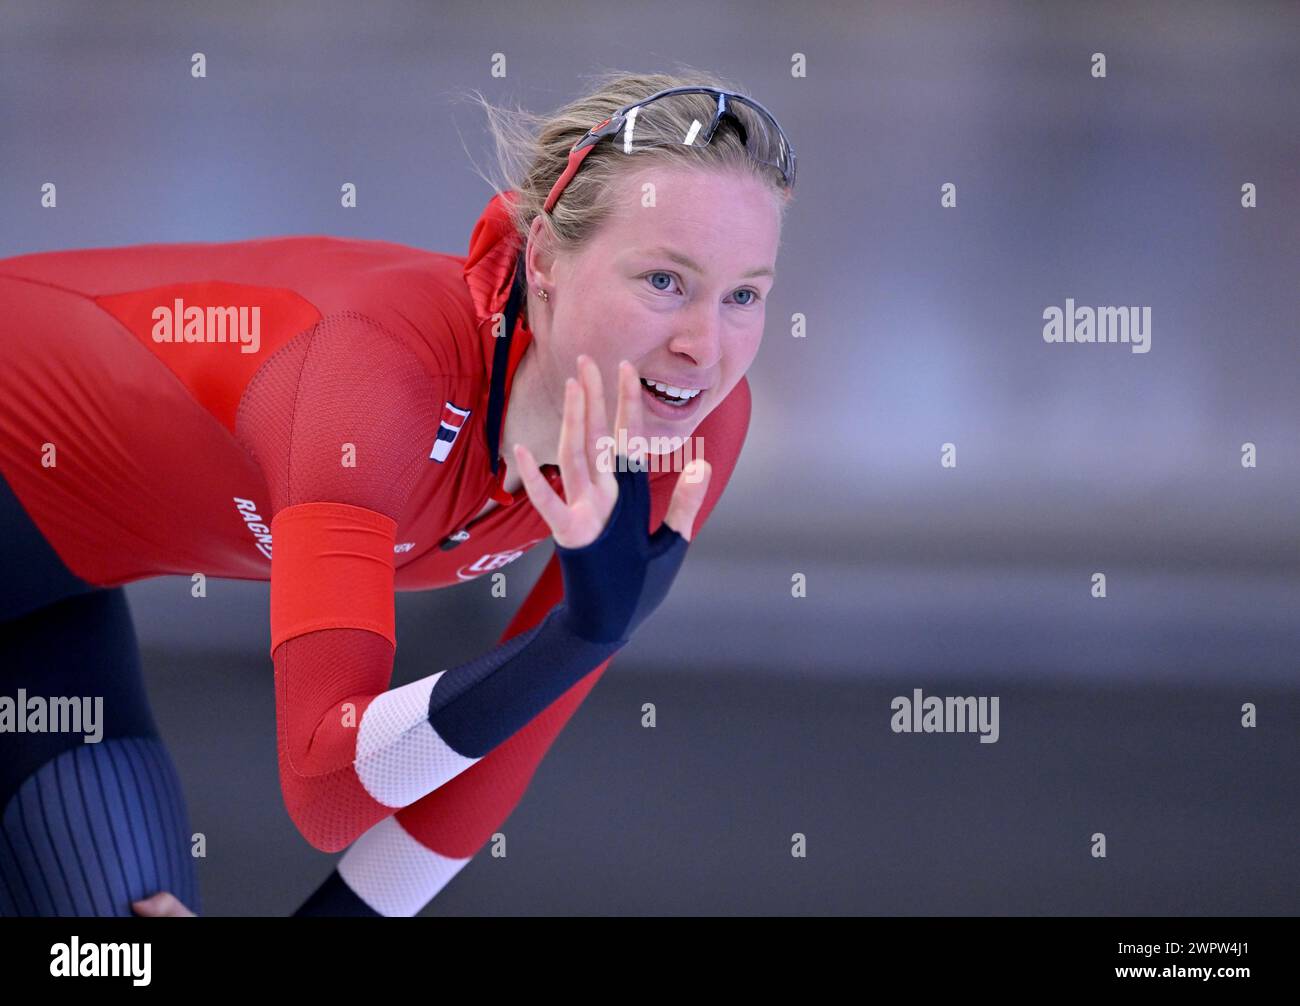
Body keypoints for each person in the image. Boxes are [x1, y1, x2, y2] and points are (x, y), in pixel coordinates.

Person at [0, 68, 796, 916]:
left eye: (744, 295)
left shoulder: (688, 431)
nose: (705, 346)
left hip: (52, 597)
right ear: (545, 260)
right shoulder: (376, 376)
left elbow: (495, 760)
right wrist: (576, 639)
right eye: (664, 281)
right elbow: (326, 783)